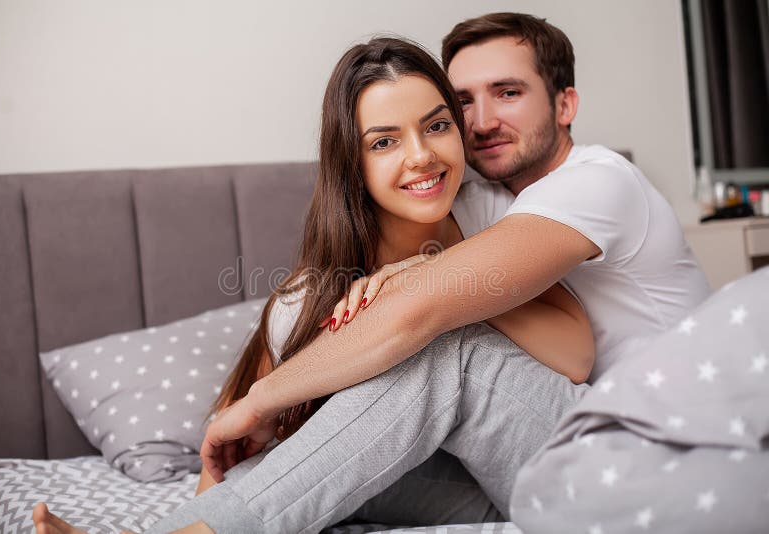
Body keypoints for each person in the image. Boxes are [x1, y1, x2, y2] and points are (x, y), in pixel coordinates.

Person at [163, 12, 708, 533]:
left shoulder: (580, 188)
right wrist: (250, 425)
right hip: (505, 468)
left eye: (508, 92)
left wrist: (423, 276)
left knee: (445, 343)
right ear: (352, 160)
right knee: (310, 456)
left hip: (644, 459)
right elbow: (247, 433)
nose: (480, 121)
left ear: (566, 104)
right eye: (464, 102)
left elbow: (556, 348)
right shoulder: (468, 203)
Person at [33, 35, 595, 534]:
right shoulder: (305, 300)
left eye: (437, 125)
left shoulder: (497, 213)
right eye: (384, 142)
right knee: (291, 460)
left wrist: (439, 282)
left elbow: (576, 355)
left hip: (553, 452)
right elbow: (230, 455)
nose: (422, 157)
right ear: (352, 162)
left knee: (443, 342)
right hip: (474, 491)